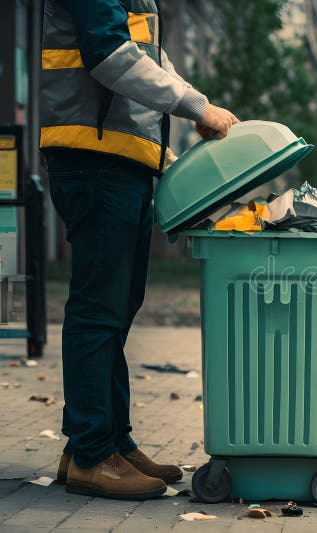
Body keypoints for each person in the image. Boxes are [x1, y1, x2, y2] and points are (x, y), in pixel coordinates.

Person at [42, 0, 238, 500]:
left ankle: (107, 442)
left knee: (118, 307)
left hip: (121, 159)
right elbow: (109, 54)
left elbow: (149, 56)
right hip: (92, 157)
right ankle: (91, 454)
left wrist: (193, 105)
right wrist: (197, 107)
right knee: (98, 308)